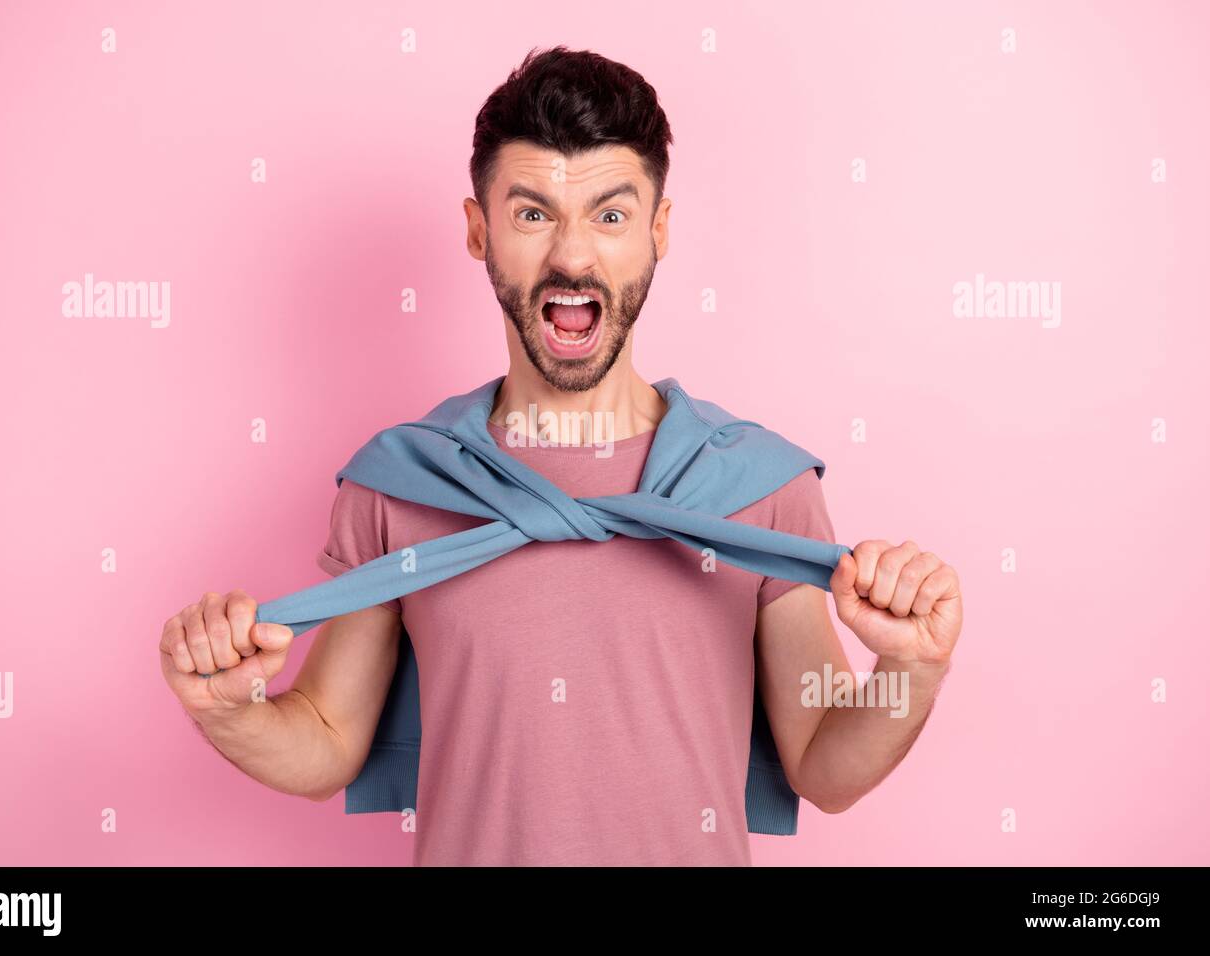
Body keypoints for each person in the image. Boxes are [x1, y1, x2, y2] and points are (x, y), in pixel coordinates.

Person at [157, 46, 963, 866]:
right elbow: (327, 738)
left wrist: (911, 668)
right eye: (532, 214)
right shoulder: (401, 485)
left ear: (658, 231)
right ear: (479, 231)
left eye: (610, 217)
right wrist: (231, 707)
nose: (573, 258)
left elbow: (825, 764)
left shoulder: (759, 488)